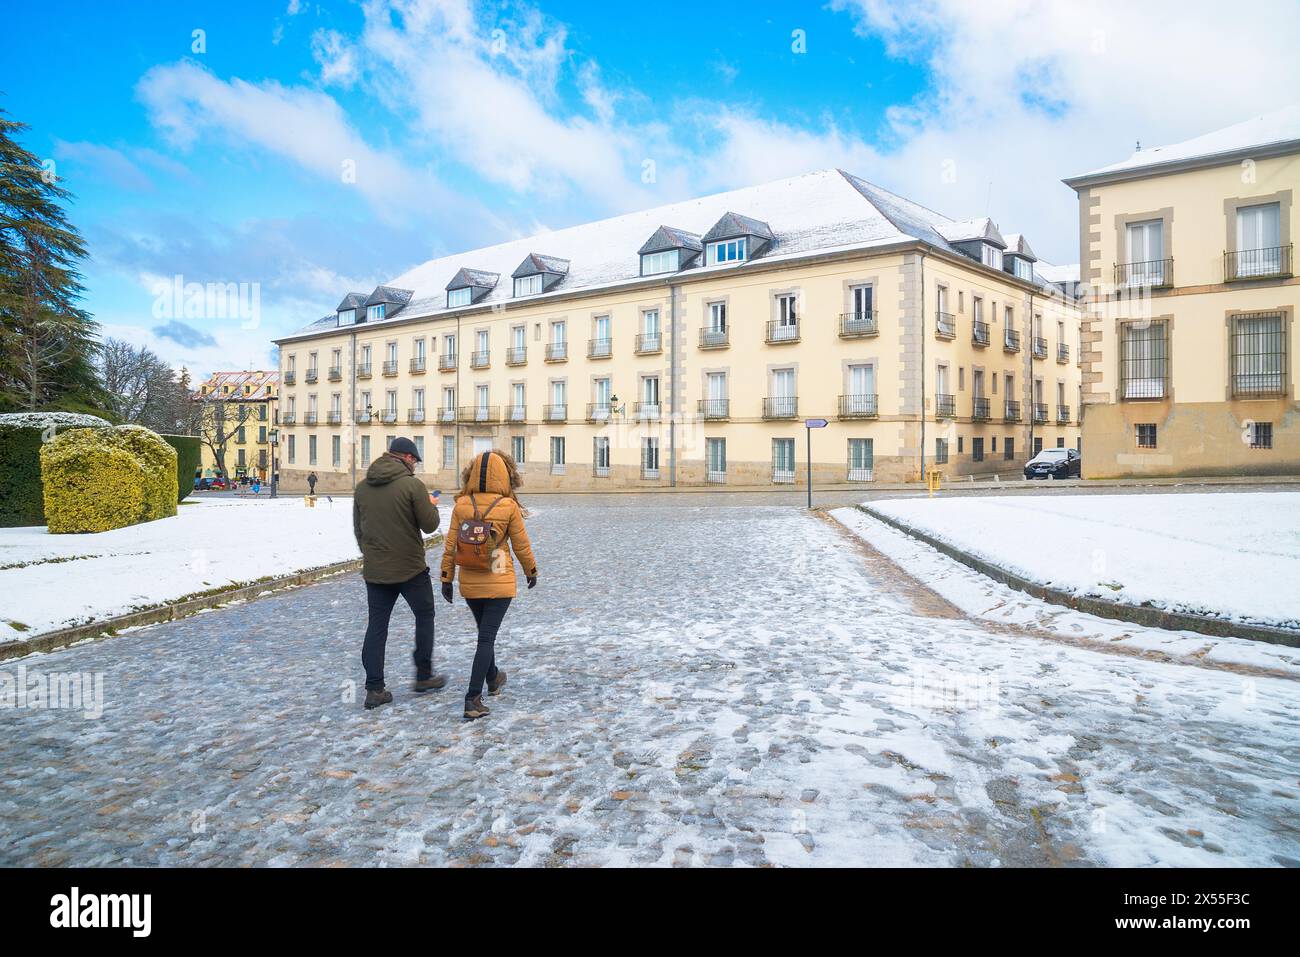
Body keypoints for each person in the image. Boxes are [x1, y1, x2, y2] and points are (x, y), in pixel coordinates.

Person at [440, 449, 537, 721]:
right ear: (505, 476)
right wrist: (531, 570)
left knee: (485, 633)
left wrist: (446, 577)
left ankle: (493, 678)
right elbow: (521, 544)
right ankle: (472, 698)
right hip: (497, 574)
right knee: (486, 637)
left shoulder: (461, 505)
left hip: (469, 577)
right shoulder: (508, 507)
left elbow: (450, 546)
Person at [352, 437, 443, 710]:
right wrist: (432, 504)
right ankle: (424, 676)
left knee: (377, 627)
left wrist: (372, 555)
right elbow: (430, 525)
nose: (415, 465)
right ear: (406, 458)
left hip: (376, 570)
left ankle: (374, 689)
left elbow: (359, 530)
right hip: (410, 568)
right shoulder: (412, 485)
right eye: (415, 460)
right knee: (425, 615)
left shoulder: (362, 487)